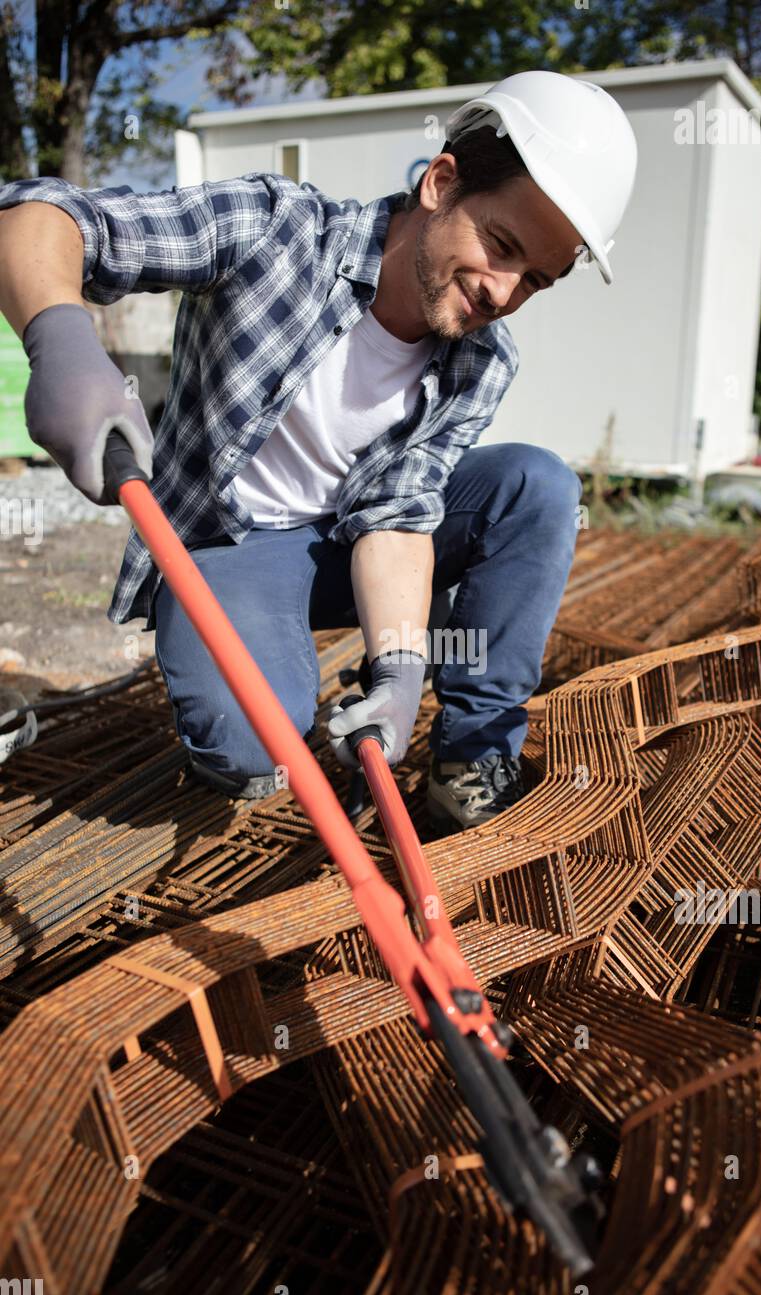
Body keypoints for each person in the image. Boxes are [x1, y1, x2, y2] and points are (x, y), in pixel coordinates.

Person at [0, 71, 637, 832]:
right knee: (250, 750)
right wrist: (60, 338)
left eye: (535, 279)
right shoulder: (277, 231)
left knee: (536, 486)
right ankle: (253, 672)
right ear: (441, 183)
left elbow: (397, 514)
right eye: (500, 245)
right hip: (238, 547)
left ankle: (471, 757)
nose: (503, 293)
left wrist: (399, 673)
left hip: (353, 545)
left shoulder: (482, 360)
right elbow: (43, 215)